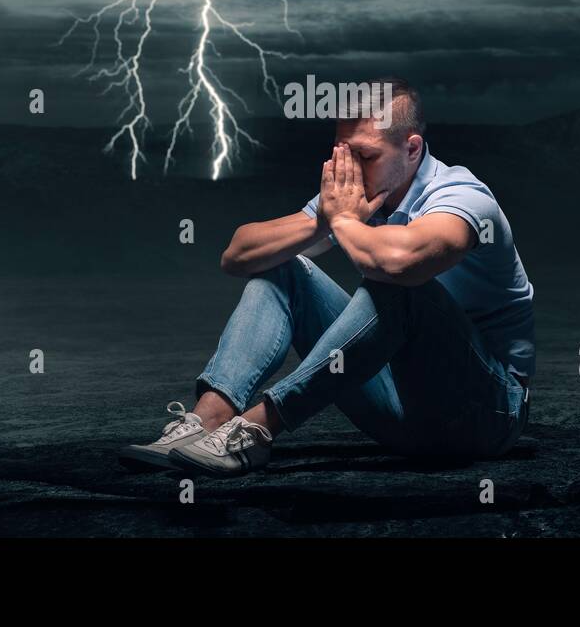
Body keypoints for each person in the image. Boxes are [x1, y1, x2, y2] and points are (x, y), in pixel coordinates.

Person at [120, 78, 534, 477]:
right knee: (283, 268)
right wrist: (322, 222)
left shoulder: (463, 196)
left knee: (397, 286)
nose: (350, 170)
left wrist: (343, 221)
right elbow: (237, 256)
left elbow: (401, 263)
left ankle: (257, 429)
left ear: (411, 149)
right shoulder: (357, 196)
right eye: (343, 154)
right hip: (398, 414)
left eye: (366, 156)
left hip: (485, 416)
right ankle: (209, 418)